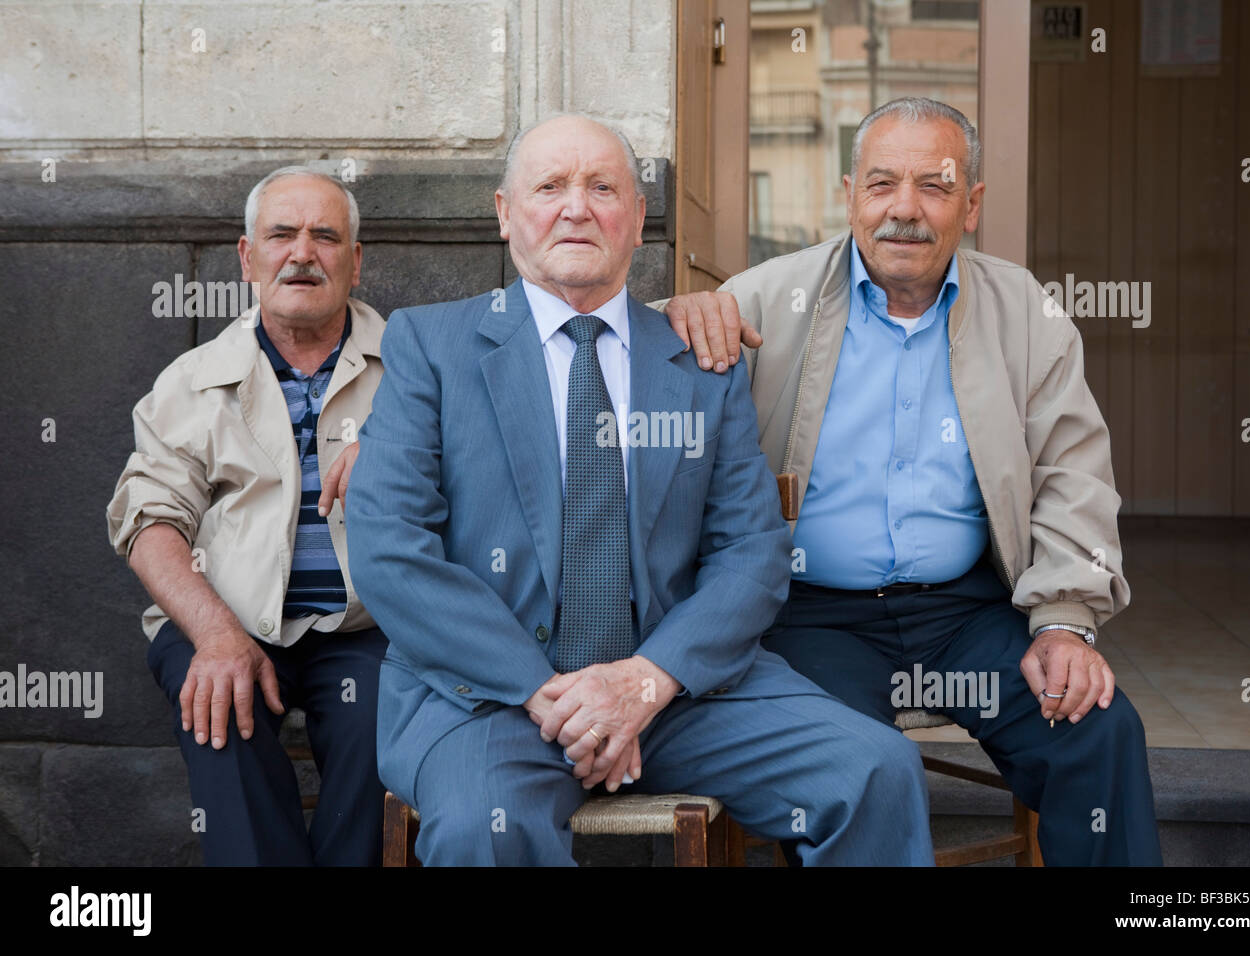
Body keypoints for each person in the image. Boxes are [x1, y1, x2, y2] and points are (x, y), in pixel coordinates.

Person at [344, 113, 932, 866]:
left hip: (678, 692)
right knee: (486, 830)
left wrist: (646, 682)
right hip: (487, 698)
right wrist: (548, 695)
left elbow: (751, 551)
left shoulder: (695, 359)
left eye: (602, 187)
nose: (577, 206)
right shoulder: (431, 346)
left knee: (876, 770)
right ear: (504, 214)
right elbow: (392, 551)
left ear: (638, 219)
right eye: (550, 186)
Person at [662, 97, 1162, 865]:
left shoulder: (1025, 311)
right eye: (882, 184)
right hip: (808, 616)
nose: (905, 210)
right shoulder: (768, 297)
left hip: (967, 613)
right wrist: (681, 314)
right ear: (849, 192)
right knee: (851, 764)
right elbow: (617, 360)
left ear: (972, 204)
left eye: (934, 185)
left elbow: (1072, 471)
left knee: (1097, 729)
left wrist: (1064, 618)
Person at [106, 167, 388, 865]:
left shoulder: (417, 367)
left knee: (384, 725)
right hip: (221, 616)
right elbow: (149, 524)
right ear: (247, 257)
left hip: (368, 624)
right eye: (282, 234)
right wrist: (214, 634)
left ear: (356, 262)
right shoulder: (192, 379)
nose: (302, 253)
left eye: (326, 236)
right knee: (219, 712)